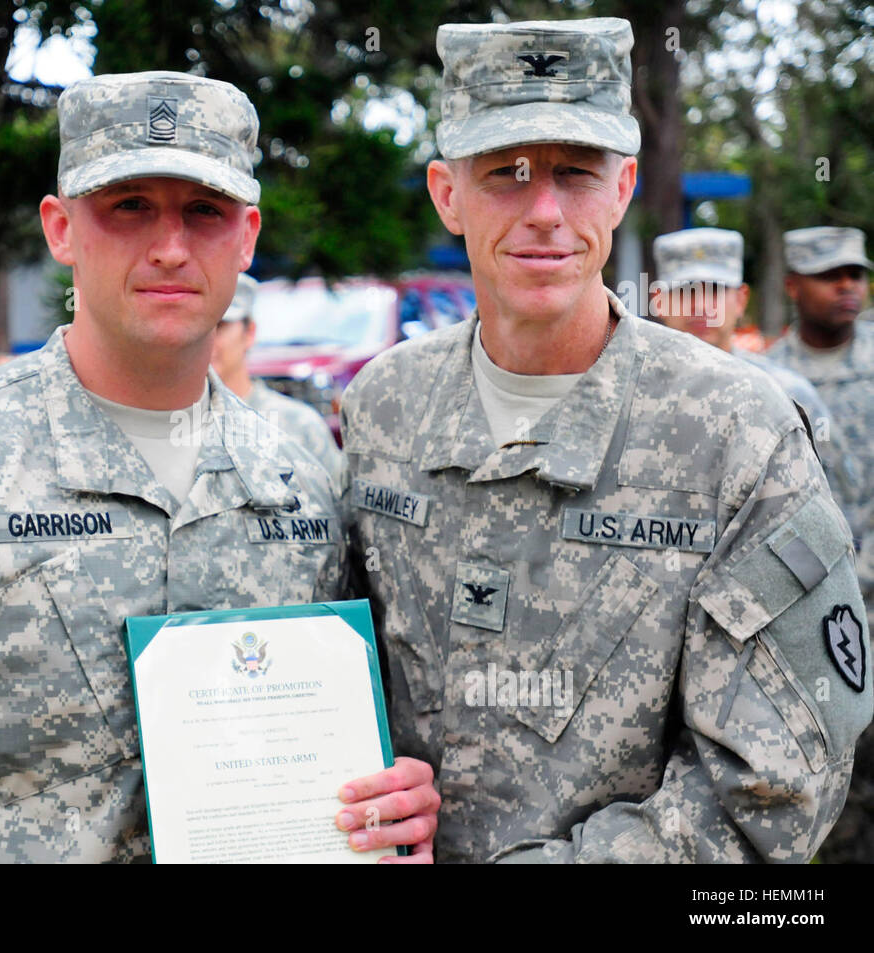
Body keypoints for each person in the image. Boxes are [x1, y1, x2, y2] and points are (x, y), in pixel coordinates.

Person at [0, 70, 439, 863]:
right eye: (129, 205)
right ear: (61, 227)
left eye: (203, 211)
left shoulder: (301, 476)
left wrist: (388, 807)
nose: (170, 246)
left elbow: (341, 741)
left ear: (247, 236)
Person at [341, 17, 871, 862]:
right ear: (448, 193)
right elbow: (343, 676)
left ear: (624, 187)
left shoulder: (736, 428)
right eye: (506, 174)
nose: (545, 212)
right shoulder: (382, 409)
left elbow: (777, 785)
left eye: (577, 173)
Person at [765, 226, 874, 864]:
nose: (847, 287)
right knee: (836, 790)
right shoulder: (767, 383)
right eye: (830, 274)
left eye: (856, 274)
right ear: (792, 287)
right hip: (825, 625)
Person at [650, 227, 858, 513]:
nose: (700, 307)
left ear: (741, 300)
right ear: (659, 300)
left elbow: (836, 501)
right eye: (686, 292)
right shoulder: (629, 389)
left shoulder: (787, 393)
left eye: (714, 291)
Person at [210, 273, 346, 486]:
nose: (206, 338)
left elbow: (339, 511)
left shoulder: (300, 426)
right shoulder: (170, 423)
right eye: (198, 327)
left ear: (249, 333)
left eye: (220, 325)